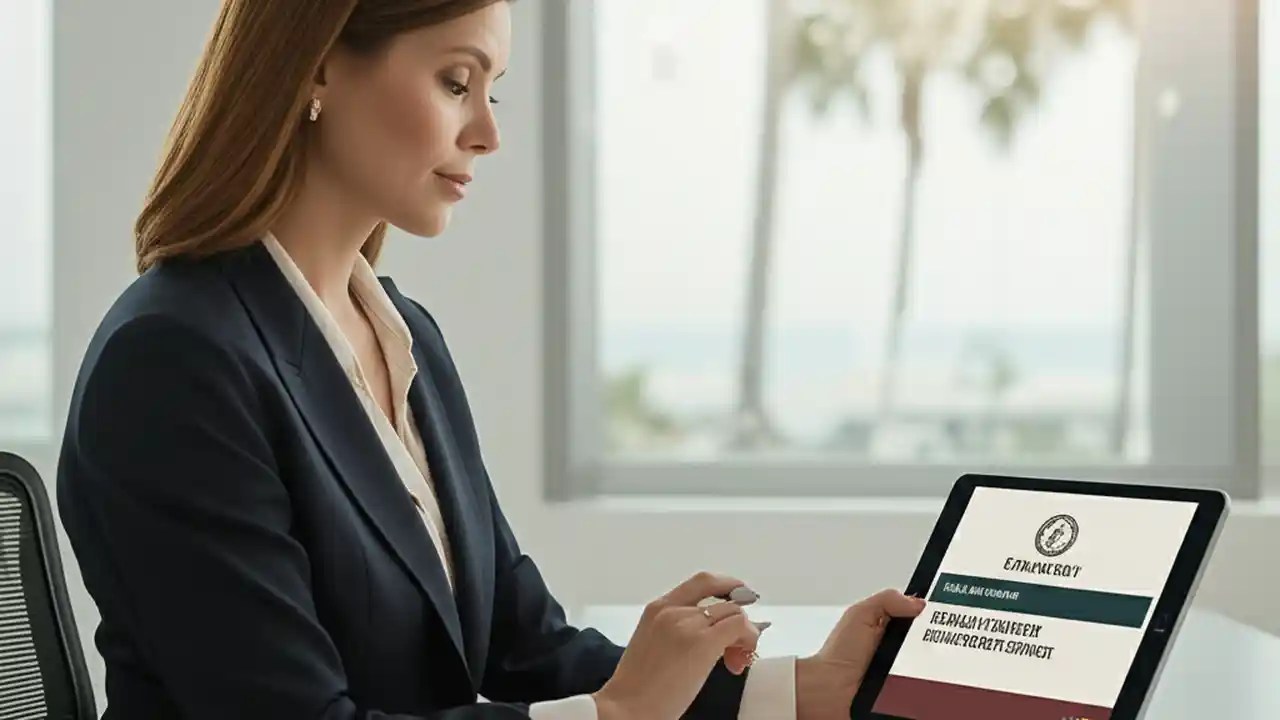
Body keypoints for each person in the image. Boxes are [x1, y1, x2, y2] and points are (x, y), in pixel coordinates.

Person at [55, 1, 926, 718]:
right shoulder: (174, 361)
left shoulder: (403, 336)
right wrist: (619, 714)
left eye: (492, 92)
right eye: (454, 81)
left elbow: (522, 645)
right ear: (317, 64)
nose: (485, 134)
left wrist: (806, 688)